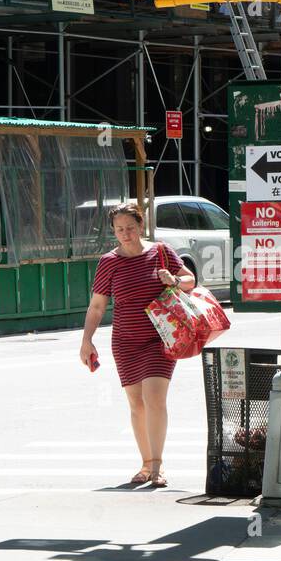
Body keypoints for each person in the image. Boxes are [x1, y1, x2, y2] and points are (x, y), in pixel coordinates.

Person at [81, 203, 195, 487]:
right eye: (119, 230)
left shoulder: (160, 252)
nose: (125, 234)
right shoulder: (109, 262)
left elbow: (190, 281)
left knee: (154, 398)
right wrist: (87, 340)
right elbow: (97, 306)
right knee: (136, 404)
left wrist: (174, 280)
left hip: (160, 337)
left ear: (140, 226)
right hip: (125, 340)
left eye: (130, 228)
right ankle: (145, 464)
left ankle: (157, 466)